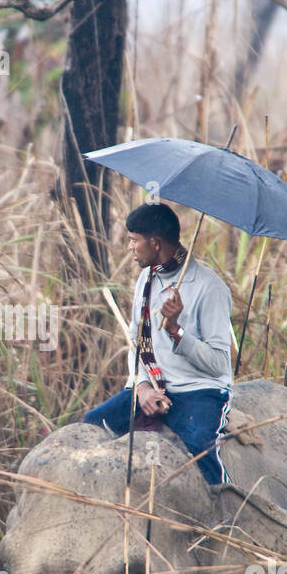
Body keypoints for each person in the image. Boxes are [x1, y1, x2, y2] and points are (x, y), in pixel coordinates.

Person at [82, 203, 235, 485]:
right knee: (91, 426)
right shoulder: (146, 279)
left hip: (198, 391)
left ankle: (224, 516)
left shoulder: (209, 288)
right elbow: (136, 342)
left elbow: (219, 365)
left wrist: (177, 331)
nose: (129, 247)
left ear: (154, 242)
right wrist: (141, 388)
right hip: (151, 387)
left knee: (201, 450)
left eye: (133, 240)